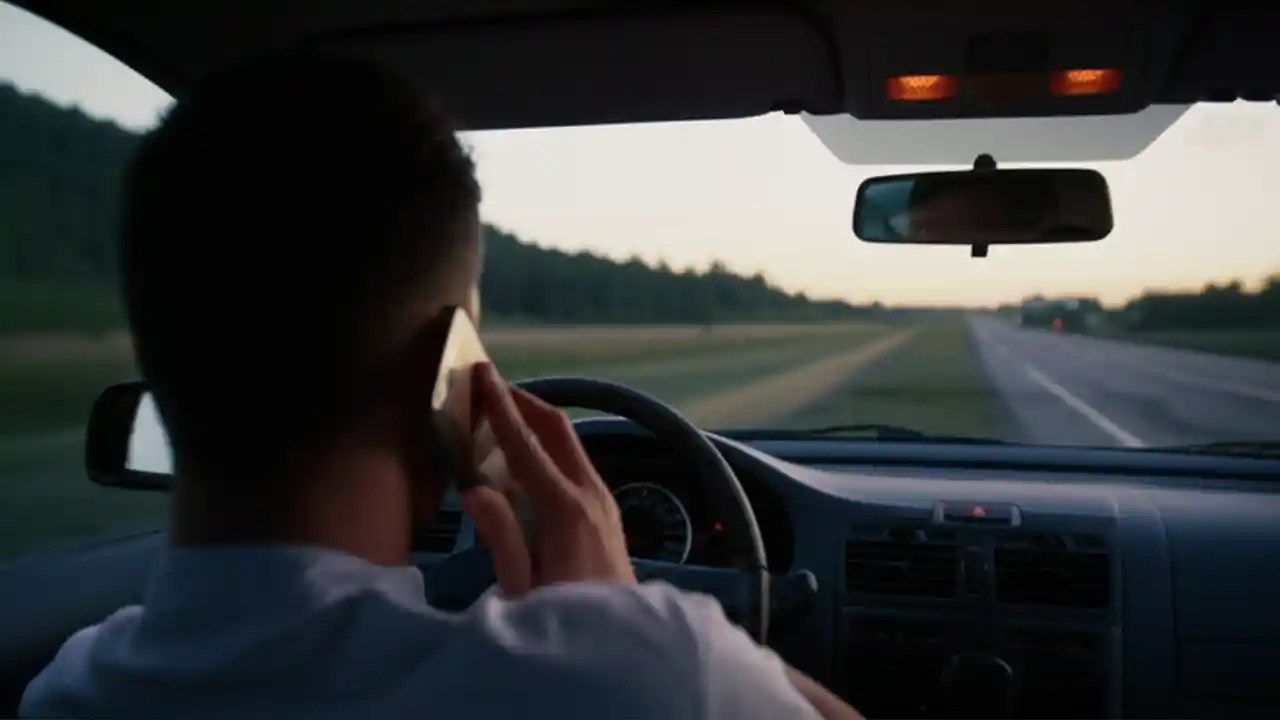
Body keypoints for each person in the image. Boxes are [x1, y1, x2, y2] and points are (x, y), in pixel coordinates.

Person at [20, 54, 862, 719]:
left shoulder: (63, 689)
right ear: (450, 377)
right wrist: (620, 608)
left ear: (161, 361)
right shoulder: (646, 678)